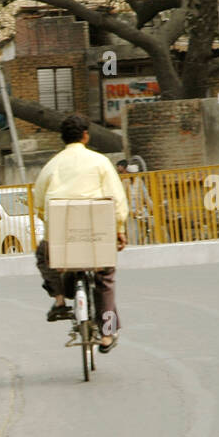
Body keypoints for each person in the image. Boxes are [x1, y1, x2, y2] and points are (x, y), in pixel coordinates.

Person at [33, 114, 128, 352]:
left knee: (44, 254)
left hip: (63, 234)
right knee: (105, 279)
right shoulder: (100, 162)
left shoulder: (52, 165)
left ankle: (59, 301)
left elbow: (39, 204)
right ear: (86, 135)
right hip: (97, 233)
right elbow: (117, 201)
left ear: (62, 138)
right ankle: (107, 335)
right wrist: (119, 229)